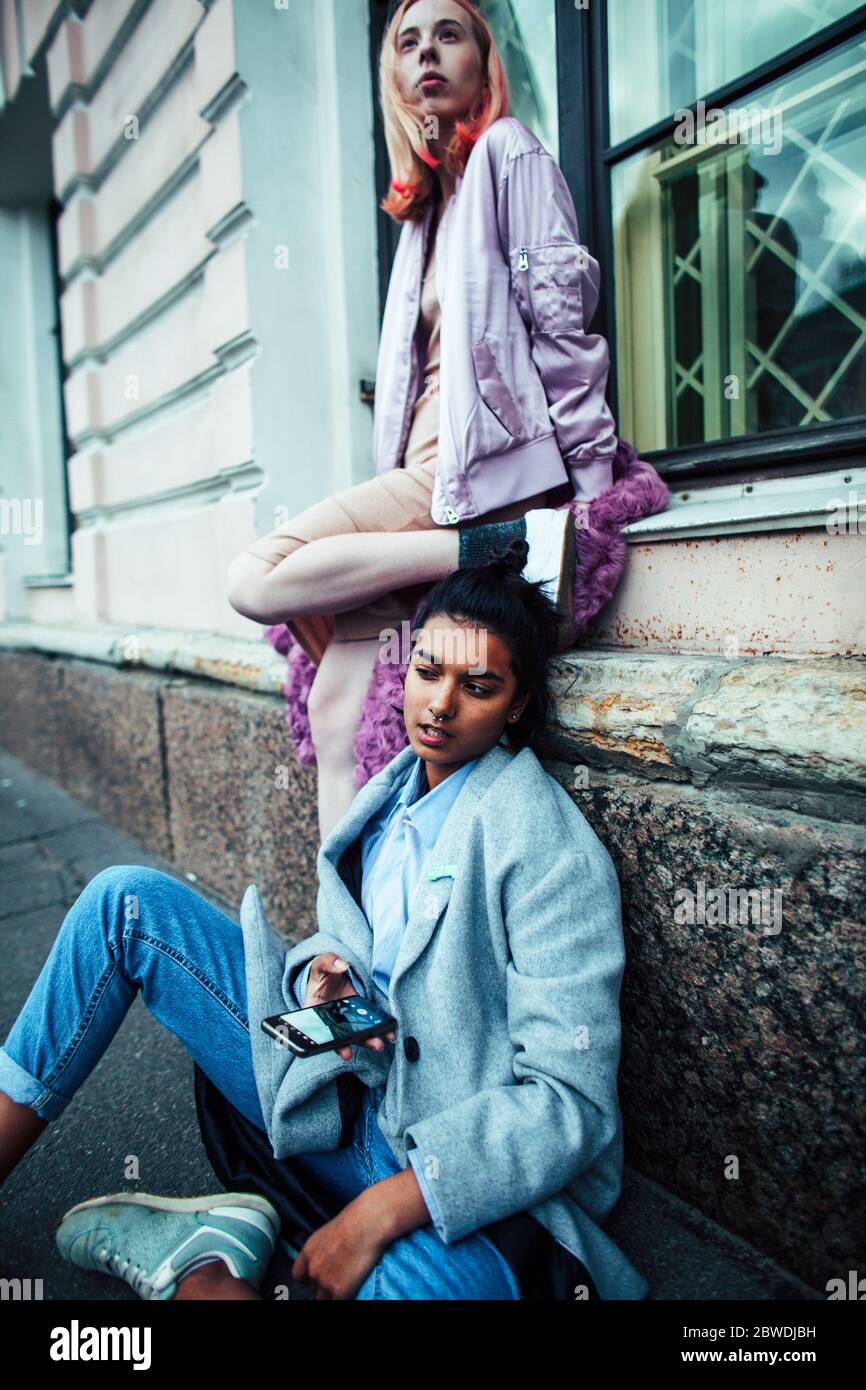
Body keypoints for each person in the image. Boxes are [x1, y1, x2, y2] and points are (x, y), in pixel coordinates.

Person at [0, 543, 648, 1300]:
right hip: (343, 1092)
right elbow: (342, 941)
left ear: (518, 704)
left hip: (461, 1175)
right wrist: (321, 972)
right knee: (126, 903)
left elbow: (569, 1102)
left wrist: (388, 1205)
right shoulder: (391, 794)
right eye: (428, 670)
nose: (439, 704)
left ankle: (204, 1268)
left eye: (477, 686)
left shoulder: (545, 846)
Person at [226, 0, 622, 842]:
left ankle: (505, 540)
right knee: (336, 704)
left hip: (478, 481)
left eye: (450, 35)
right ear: (394, 78)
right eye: (408, 43)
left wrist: (589, 499)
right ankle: (346, 941)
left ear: (485, 60)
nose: (428, 54)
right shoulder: (422, 216)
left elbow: (563, 329)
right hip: (422, 487)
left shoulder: (511, 157)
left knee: (256, 579)